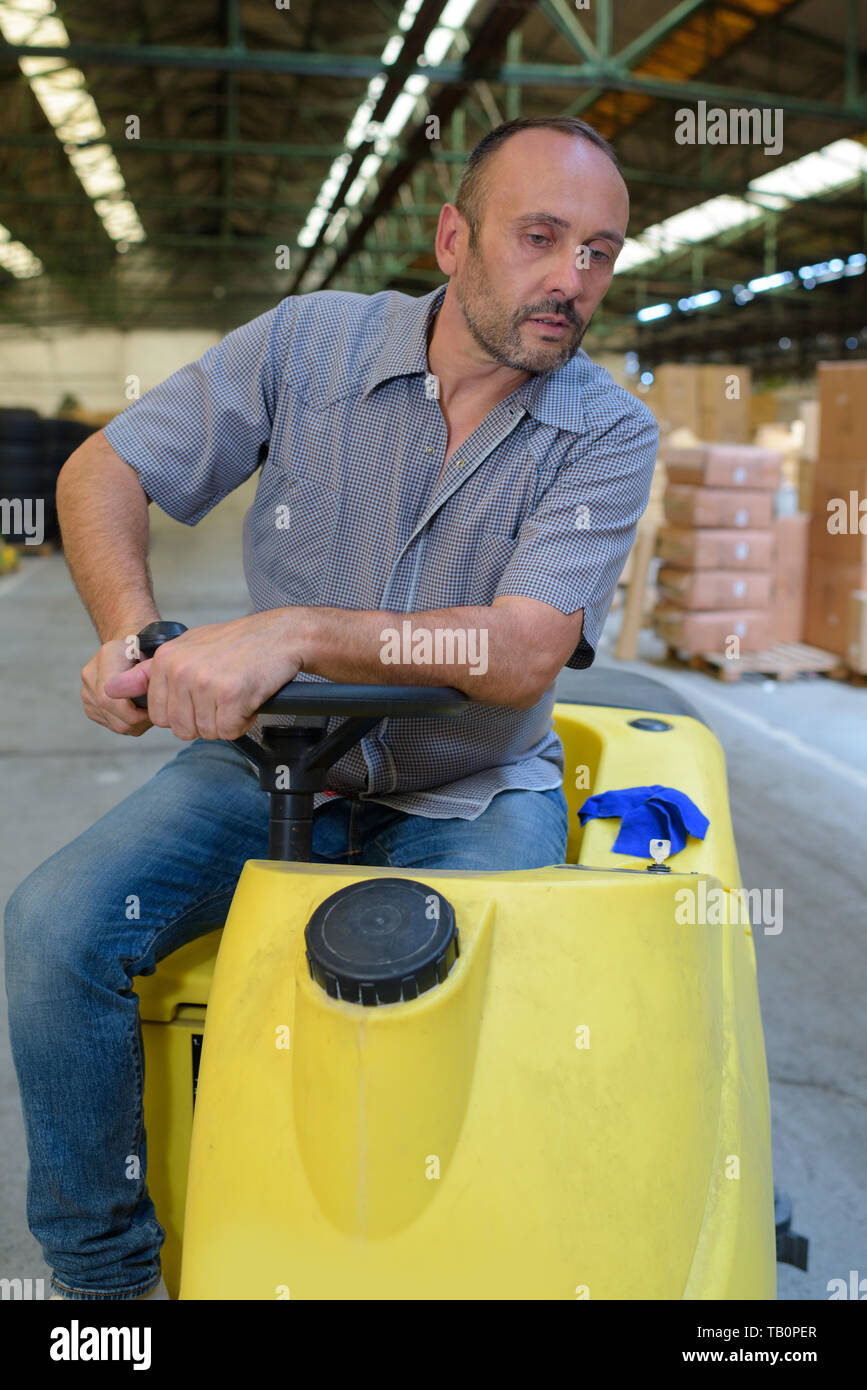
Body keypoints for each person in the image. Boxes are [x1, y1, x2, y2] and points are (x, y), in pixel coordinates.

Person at [4, 116, 658, 1300]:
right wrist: (132, 637)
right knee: (54, 928)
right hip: (267, 768)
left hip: (467, 788)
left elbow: (516, 654)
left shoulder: (605, 431)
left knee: (490, 1014)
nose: (573, 280)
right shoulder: (310, 343)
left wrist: (296, 630)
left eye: (602, 252)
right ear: (454, 238)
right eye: (543, 237)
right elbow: (107, 468)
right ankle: (107, 1279)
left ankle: (459, 1270)